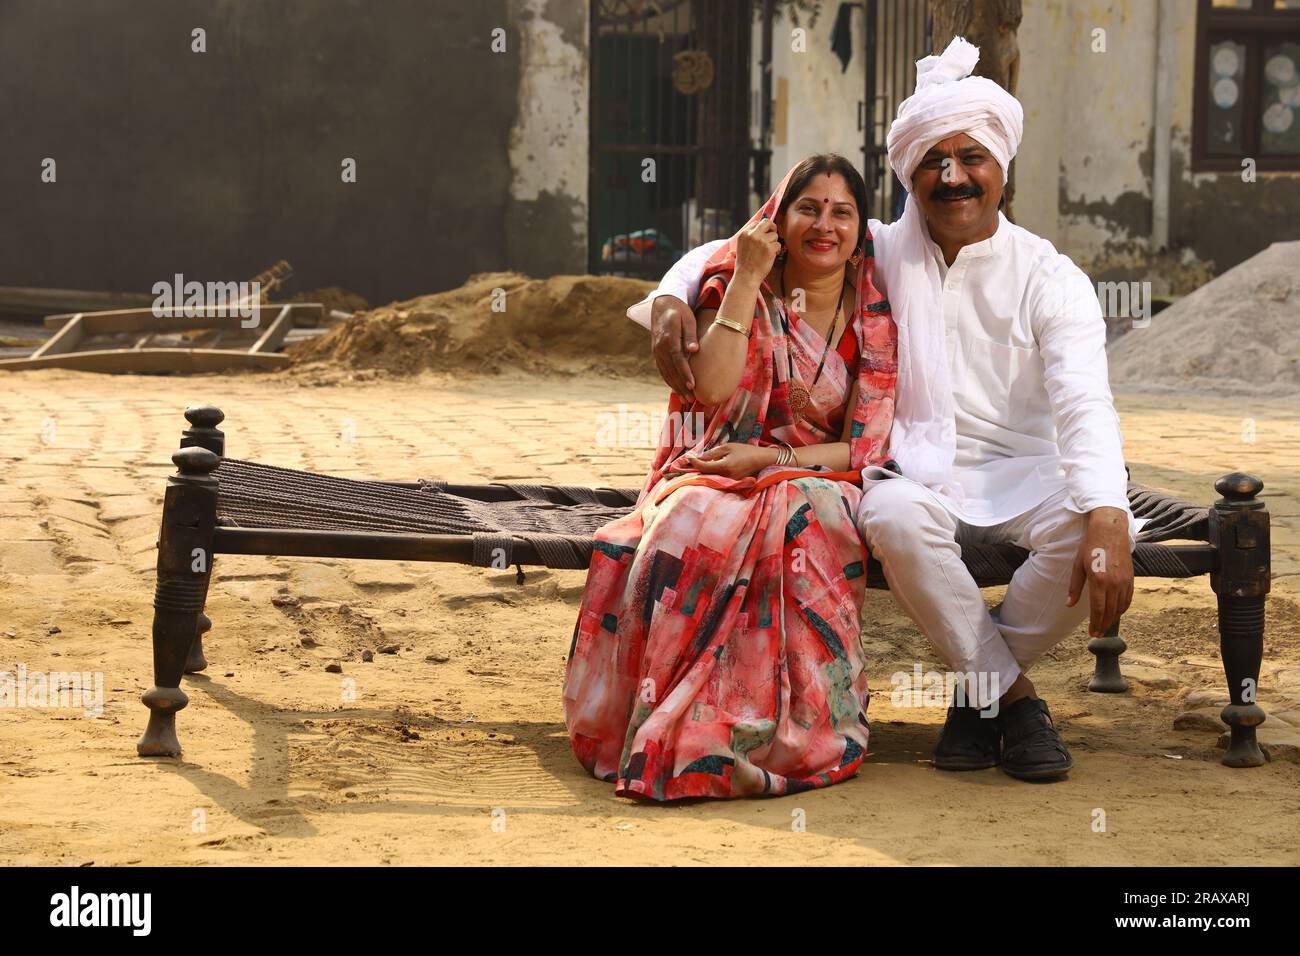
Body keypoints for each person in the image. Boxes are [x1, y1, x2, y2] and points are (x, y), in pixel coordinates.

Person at [631, 38, 1138, 782]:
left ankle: (981, 692)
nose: (953, 176)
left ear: (1002, 168)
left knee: (1089, 536)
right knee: (893, 519)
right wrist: (674, 295)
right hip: (914, 469)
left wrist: (1106, 507)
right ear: (910, 173)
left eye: (972, 158)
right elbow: (741, 242)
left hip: (1029, 472)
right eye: (933, 160)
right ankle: (1015, 698)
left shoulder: (1050, 277)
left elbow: (1084, 399)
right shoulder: (880, 247)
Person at [563, 155, 898, 801]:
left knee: (804, 518)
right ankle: (675, 722)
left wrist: (774, 463)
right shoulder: (739, 283)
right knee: (687, 524)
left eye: (841, 212)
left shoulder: (876, 316)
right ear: (778, 217)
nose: (824, 225)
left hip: (817, 477)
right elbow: (712, 390)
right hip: (717, 461)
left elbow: (863, 446)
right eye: (809, 208)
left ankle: (788, 730)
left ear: (861, 230)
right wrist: (746, 276)